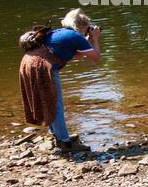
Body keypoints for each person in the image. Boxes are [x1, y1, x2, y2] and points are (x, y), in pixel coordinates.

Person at [22, 8, 101, 153]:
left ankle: (59, 137)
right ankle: (66, 144)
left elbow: (77, 56)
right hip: (43, 67)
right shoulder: (74, 36)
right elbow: (95, 57)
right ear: (83, 26)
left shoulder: (61, 33)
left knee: (49, 101)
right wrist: (95, 38)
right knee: (56, 104)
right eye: (88, 27)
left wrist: (87, 40)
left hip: (28, 64)